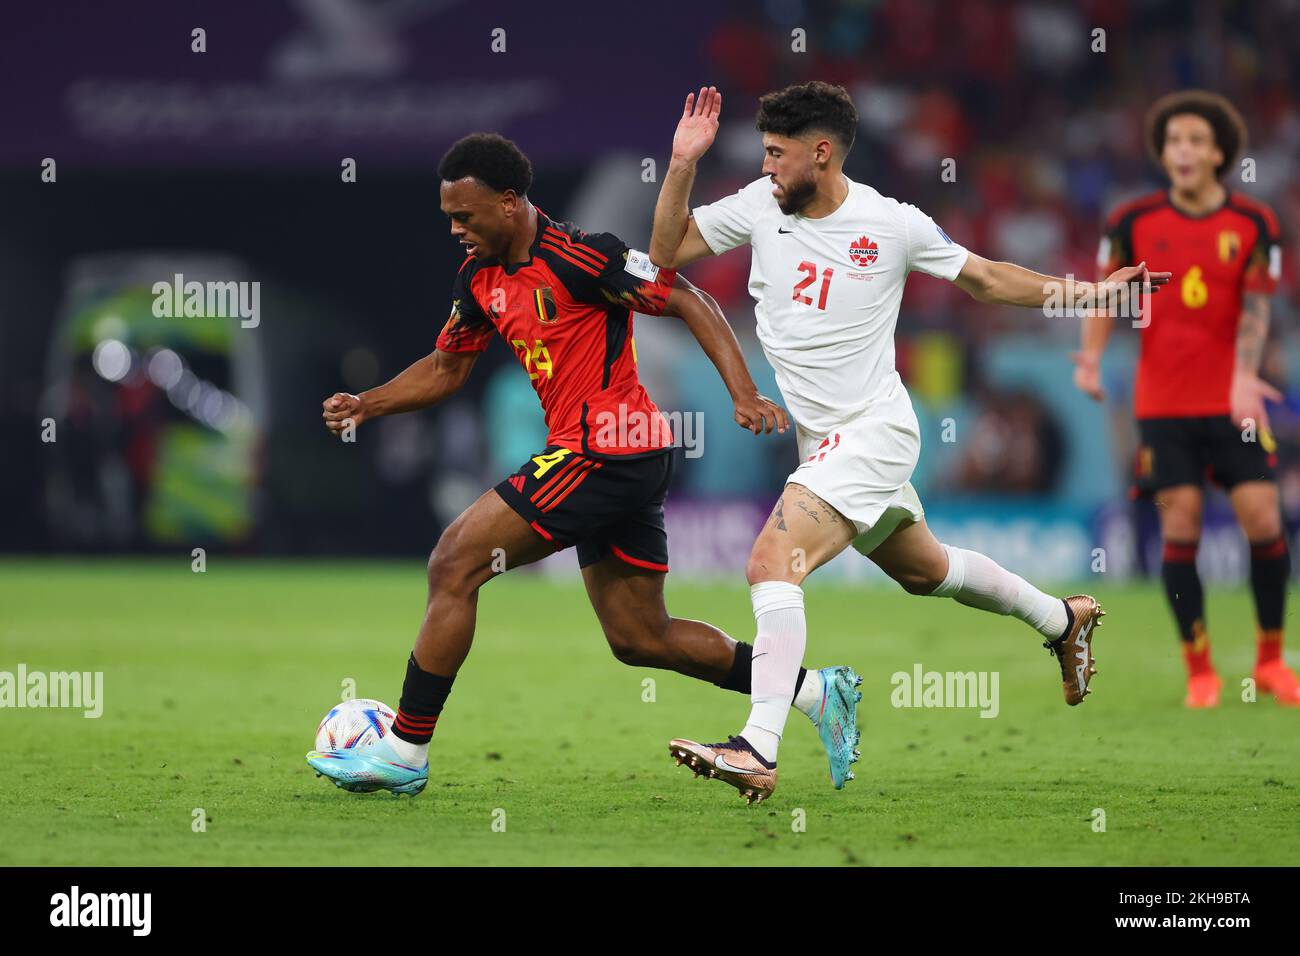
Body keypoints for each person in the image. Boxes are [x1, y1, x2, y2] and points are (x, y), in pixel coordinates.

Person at [649, 83, 1166, 804]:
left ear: (820, 153)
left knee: (772, 562)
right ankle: (1063, 617)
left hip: (876, 434)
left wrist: (1093, 295)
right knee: (926, 572)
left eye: (777, 153)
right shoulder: (759, 207)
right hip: (826, 444)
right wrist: (681, 164)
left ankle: (757, 746)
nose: (766, 167)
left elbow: (988, 279)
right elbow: (664, 252)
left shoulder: (892, 224)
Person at [307, 133, 862, 796]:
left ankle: (404, 750)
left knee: (453, 562)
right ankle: (813, 691)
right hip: (615, 455)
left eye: (466, 215)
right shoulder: (479, 278)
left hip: (605, 449)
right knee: (640, 638)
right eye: (448, 216)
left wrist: (742, 392)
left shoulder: (584, 255)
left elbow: (687, 297)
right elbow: (447, 368)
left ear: (510, 203)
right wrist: (369, 404)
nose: (456, 229)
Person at [1075, 90, 1297, 708]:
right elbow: (1106, 293)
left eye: (1197, 140)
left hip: (1232, 404)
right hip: (1163, 407)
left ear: (1219, 152)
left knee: (1263, 520)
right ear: (1163, 152)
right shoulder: (1132, 221)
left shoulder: (1254, 224)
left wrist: (1244, 376)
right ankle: (1199, 668)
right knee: (1182, 528)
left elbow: (1256, 307)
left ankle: (1273, 660)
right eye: (1174, 141)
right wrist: (1091, 359)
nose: (1184, 151)